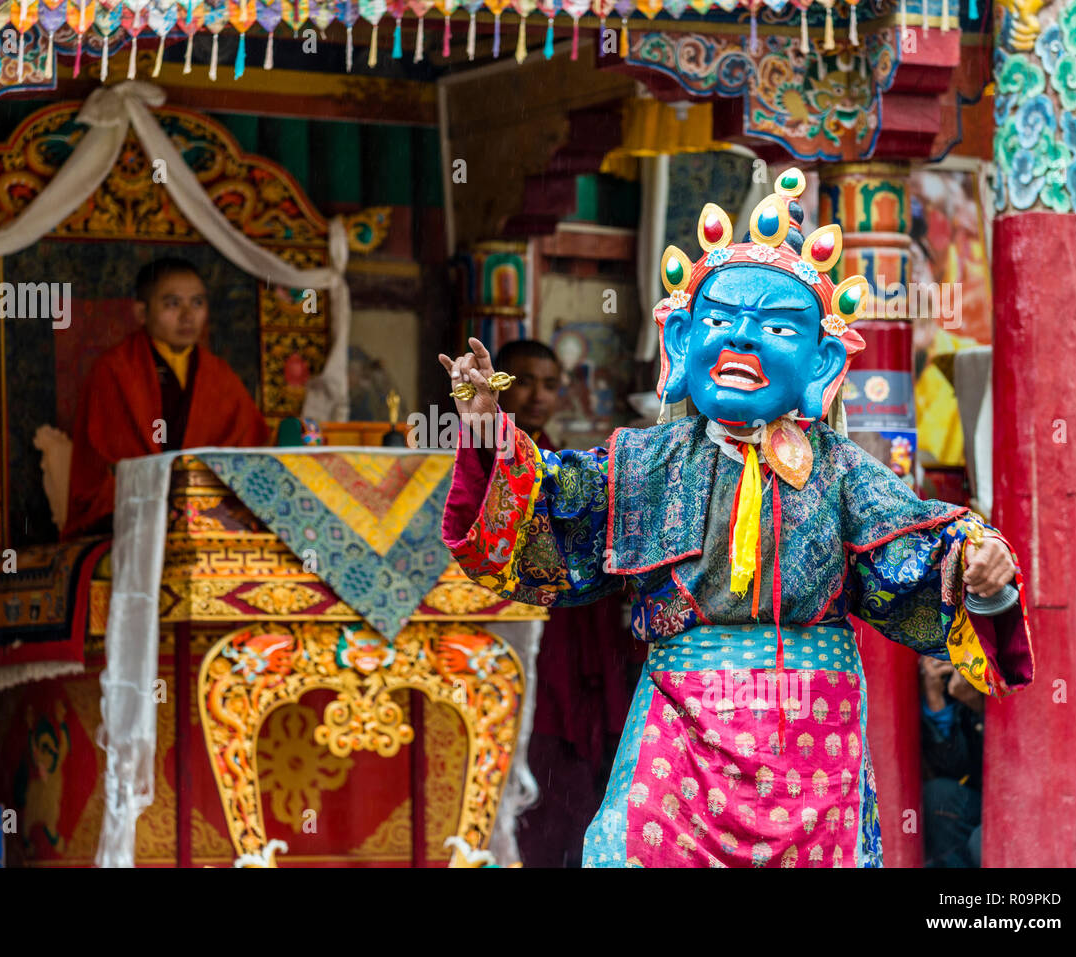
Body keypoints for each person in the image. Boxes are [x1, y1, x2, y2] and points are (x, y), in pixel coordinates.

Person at [438, 168, 1034, 868]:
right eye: (720, 322)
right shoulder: (643, 462)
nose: (742, 339)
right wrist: (488, 436)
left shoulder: (842, 469)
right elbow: (553, 505)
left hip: (817, 742)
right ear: (683, 341)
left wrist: (981, 568)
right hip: (680, 734)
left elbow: (920, 547)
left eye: (777, 326)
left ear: (822, 361)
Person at [490, 339, 645, 867]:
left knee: (569, 786)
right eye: (522, 381)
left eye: (549, 384)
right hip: (513, 643)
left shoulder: (562, 466)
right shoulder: (482, 461)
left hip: (572, 642)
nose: (537, 395)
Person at [63, 258, 270, 538]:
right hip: (131, 513)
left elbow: (251, 451)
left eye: (197, 303)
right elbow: (103, 468)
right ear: (141, 312)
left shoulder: (220, 376)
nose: (188, 316)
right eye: (172, 304)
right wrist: (165, 498)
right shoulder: (115, 371)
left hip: (210, 513)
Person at [919, 656, 984, 867]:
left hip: (1025, 797)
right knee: (938, 796)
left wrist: (979, 706)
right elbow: (953, 767)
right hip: (976, 797)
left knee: (979, 841)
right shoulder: (943, 680)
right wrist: (936, 701)